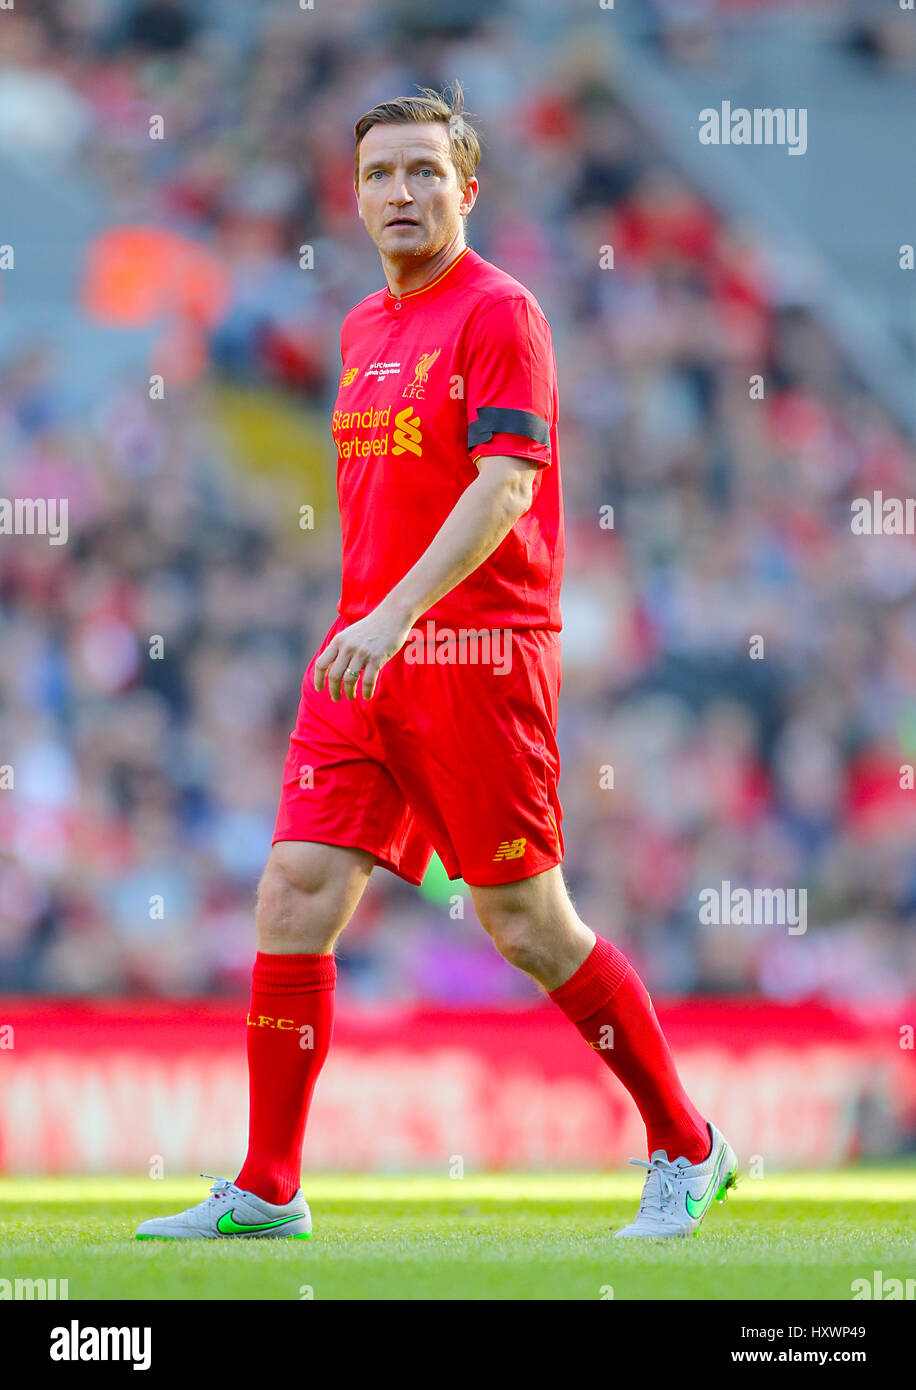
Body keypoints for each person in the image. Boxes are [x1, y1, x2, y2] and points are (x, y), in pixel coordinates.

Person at [136, 84, 737, 1243]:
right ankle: (268, 1186)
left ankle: (686, 1143)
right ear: (354, 196)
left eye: (422, 172)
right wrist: (363, 624)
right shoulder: (362, 328)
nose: (399, 193)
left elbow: (504, 488)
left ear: (467, 188)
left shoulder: (500, 313)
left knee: (527, 925)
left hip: (474, 656)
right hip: (365, 658)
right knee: (293, 892)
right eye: (377, 175)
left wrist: (394, 618)